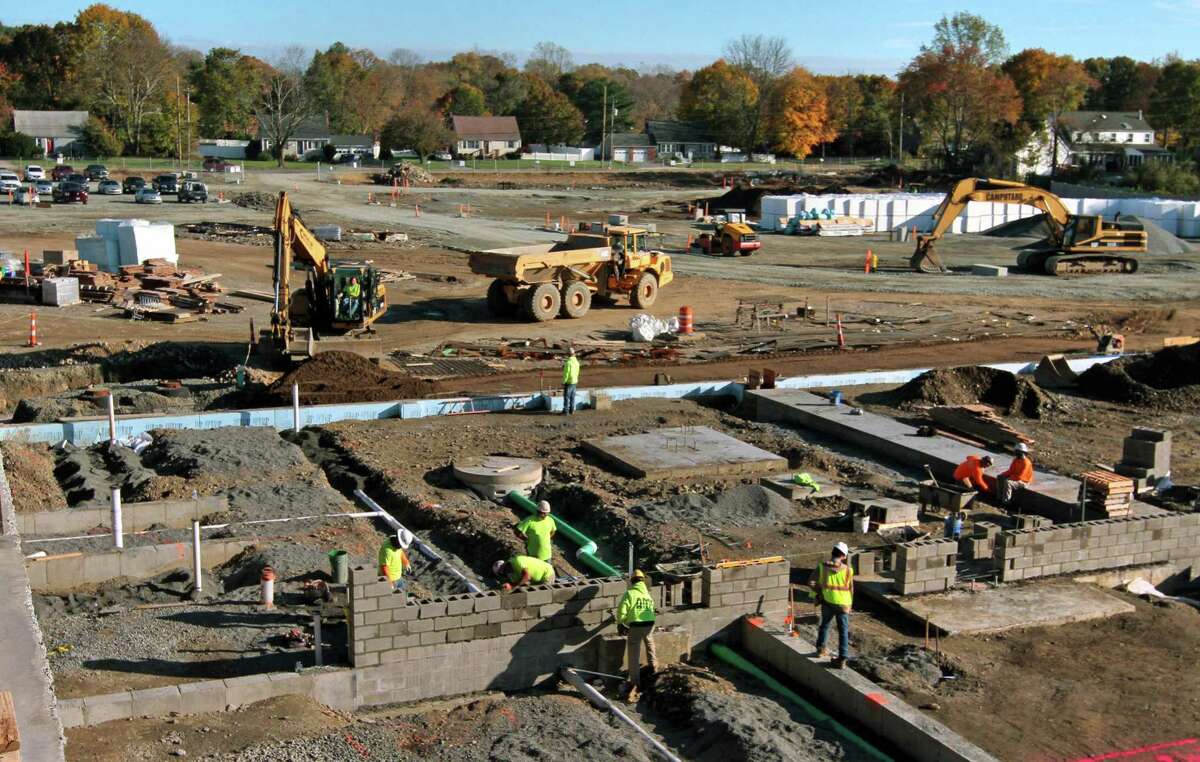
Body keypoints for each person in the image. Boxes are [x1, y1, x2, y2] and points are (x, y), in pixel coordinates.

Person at [616, 569, 657, 700]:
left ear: (632, 581)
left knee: (634, 650)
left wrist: (621, 622)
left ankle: (635, 680)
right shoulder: (647, 595)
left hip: (637, 625)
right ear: (643, 581)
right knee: (649, 642)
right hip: (650, 623)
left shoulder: (630, 593)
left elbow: (622, 609)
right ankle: (653, 667)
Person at [812, 542, 854, 668]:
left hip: (828, 601)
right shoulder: (848, 570)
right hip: (844, 604)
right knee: (843, 631)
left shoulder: (822, 567)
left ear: (833, 552)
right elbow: (851, 589)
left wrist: (820, 593)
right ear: (843, 555)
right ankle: (842, 659)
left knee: (824, 625)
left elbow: (811, 582)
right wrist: (850, 604)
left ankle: (820, 649)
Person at [378, 529, 413, 594]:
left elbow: (401, 553)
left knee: (403, 598)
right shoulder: (387, 550)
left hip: (398, 577)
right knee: (392, 601)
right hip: (390, 579)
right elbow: (384, 567)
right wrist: (389, 582)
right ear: (398, 540)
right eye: (401, 545)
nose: (401, 547)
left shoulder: (397, 544)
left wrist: (406, 563)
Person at [562, 347, 580, 415]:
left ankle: (566, 411)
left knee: (566, 397)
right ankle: (571, 411)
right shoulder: (577, 362)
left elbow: (566, 374)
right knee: (572, 397)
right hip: (575, 381)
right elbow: (578, 372)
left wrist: (564, 381)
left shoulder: (568, 363)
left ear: (568, 354)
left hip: (569, 382)